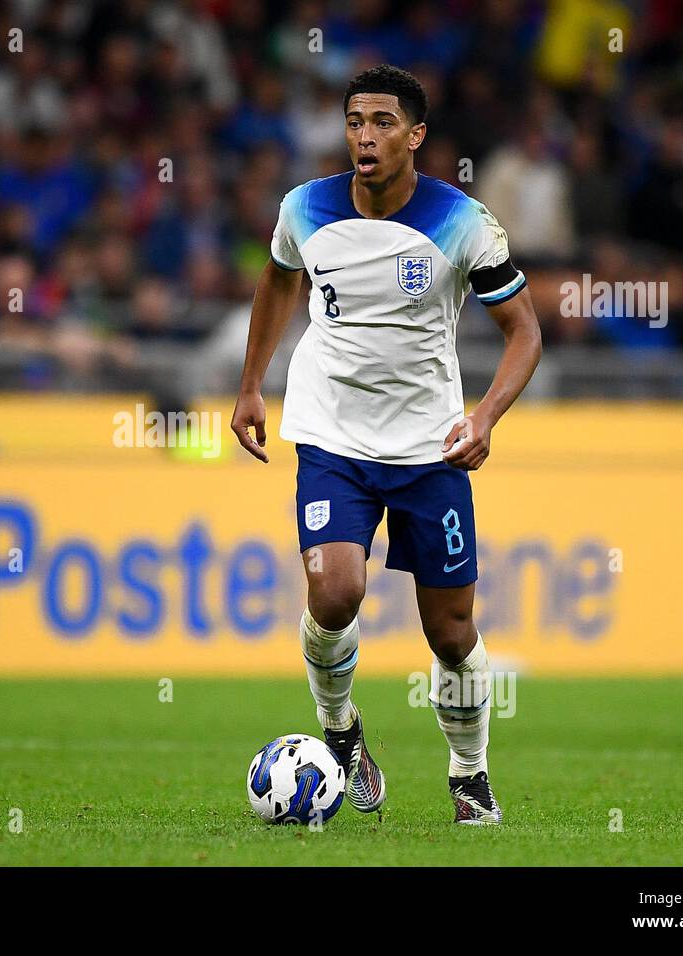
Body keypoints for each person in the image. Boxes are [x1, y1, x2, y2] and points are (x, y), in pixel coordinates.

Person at [230, 64, 542, 824]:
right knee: (334, 593)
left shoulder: (463, 222)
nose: (364, 136)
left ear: (416, 135)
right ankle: (340, 730)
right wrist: (249, 385)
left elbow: (525, 332)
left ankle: (470, 774)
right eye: (354, 122)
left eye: (381, 123)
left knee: (452, 630)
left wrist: (487, 417)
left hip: (428, 448)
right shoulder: (304, 208)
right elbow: (278, 281)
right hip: (330, 434)